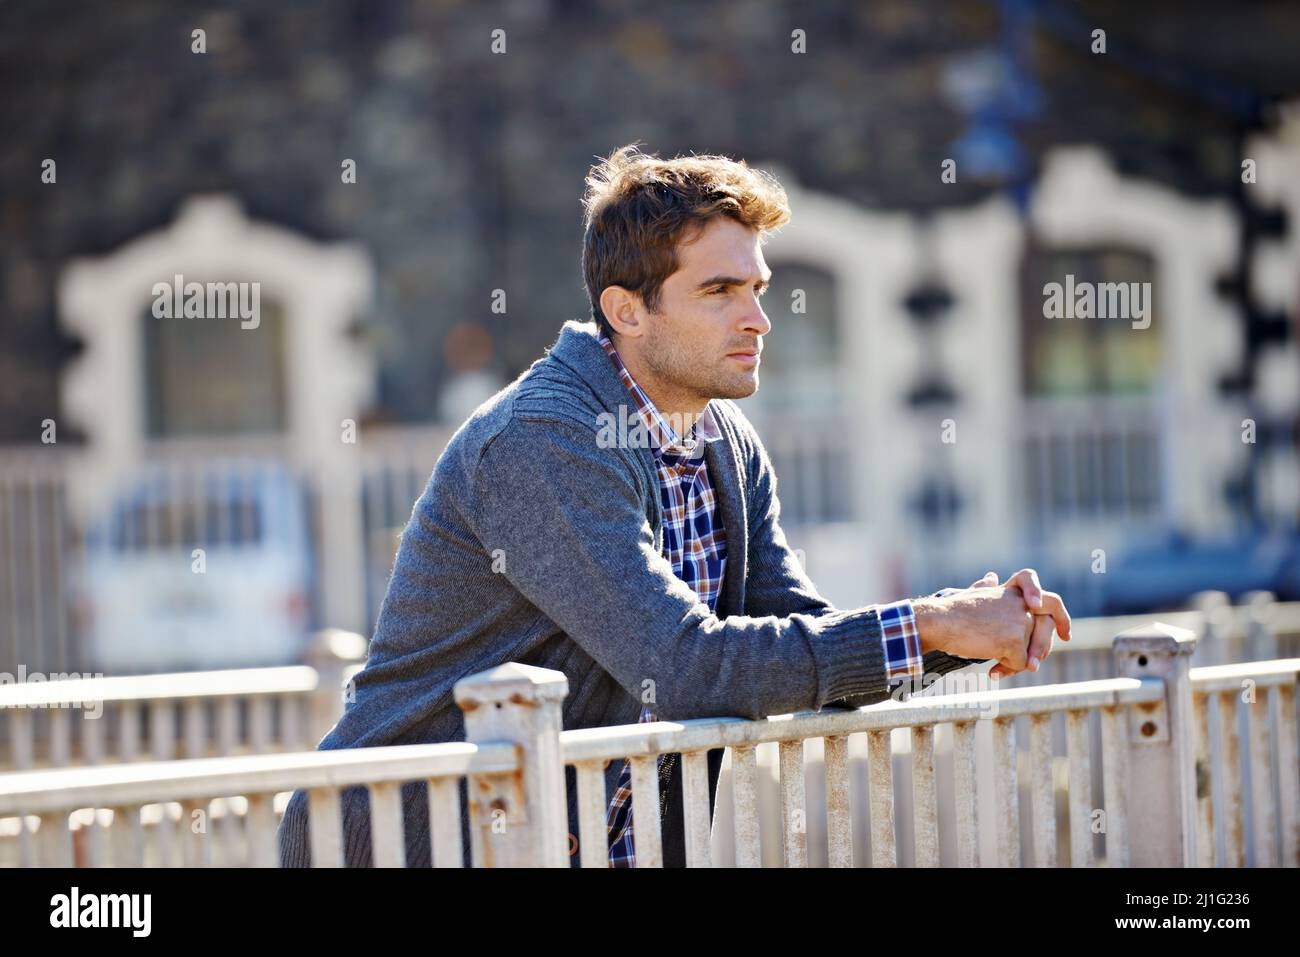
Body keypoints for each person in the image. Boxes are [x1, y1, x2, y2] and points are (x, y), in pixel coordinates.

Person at [277, 143, 1072, 868]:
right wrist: (931, 624)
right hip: (404, 845)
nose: (758, 317)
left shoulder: (726, 441)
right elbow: (682, 664)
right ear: (627, 310)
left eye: (757, 288)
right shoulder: (545, 441)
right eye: (720, 290)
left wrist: (962, 630)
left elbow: (800, 651)